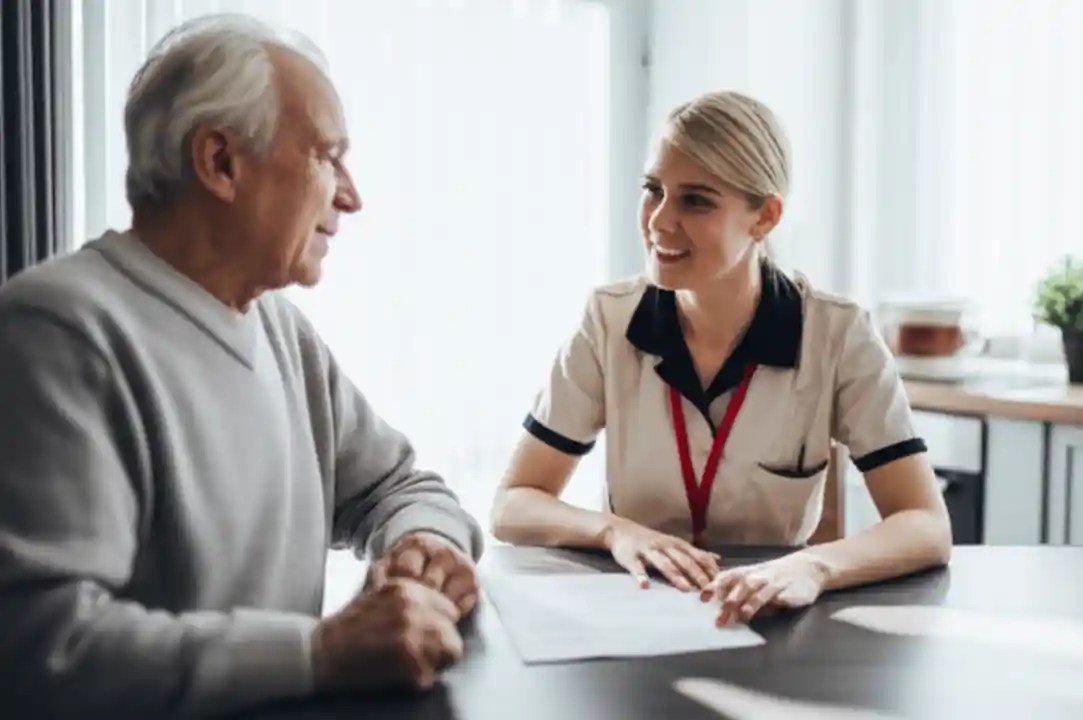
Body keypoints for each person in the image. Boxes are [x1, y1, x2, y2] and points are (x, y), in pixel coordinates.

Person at [0, 14, 482, 718]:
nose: (350, 195)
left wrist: (424, 544)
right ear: (220, 162)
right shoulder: (57, 328)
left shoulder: (279, 327)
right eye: (327, 156)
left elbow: (399, 485)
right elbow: (41, 648)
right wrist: (319, 653)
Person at [491, 90, 952, 627]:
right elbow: (513, 503)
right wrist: (615, 530)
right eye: (653, 191)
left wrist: (815, 567)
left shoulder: (838, 333)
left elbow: (925, 523)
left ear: (765, 217)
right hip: (634, 615)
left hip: (773, 617)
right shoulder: (609, 321)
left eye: (696, 200)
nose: (660, 221)